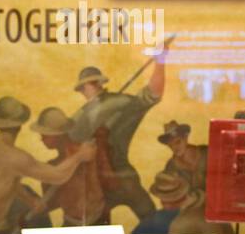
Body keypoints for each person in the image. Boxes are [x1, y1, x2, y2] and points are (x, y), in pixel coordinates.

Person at [0, 96, 94, 234]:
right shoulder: (18, 158)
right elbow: (58, 176)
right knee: (41, 222)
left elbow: (4, 181)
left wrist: (29, 200)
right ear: (20, 125)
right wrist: (80, 156)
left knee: (28, 192)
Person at [67, 45, 169, 221]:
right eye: (83, 88)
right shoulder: (79, 117)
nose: (85, 91)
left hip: (120, 178)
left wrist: (160, 62)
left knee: (152, 223)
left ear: (98, 83)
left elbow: (153, 94)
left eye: (88, 85)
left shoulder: (119, 103)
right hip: (97, 185)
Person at [28, 106, 108, 227]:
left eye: (44, 135)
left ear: (57, 135)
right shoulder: (84, 151)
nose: (41, 139)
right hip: (85, 218)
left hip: (90, 220)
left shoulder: (86, 152)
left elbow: (51, 203)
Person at [159, 120, 208, 204]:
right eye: (171, 145)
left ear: (186, 137)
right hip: (191, 209)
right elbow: (169, 197)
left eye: (178, 142)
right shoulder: (171, 166)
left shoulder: (206, 152)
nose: (175, 148)